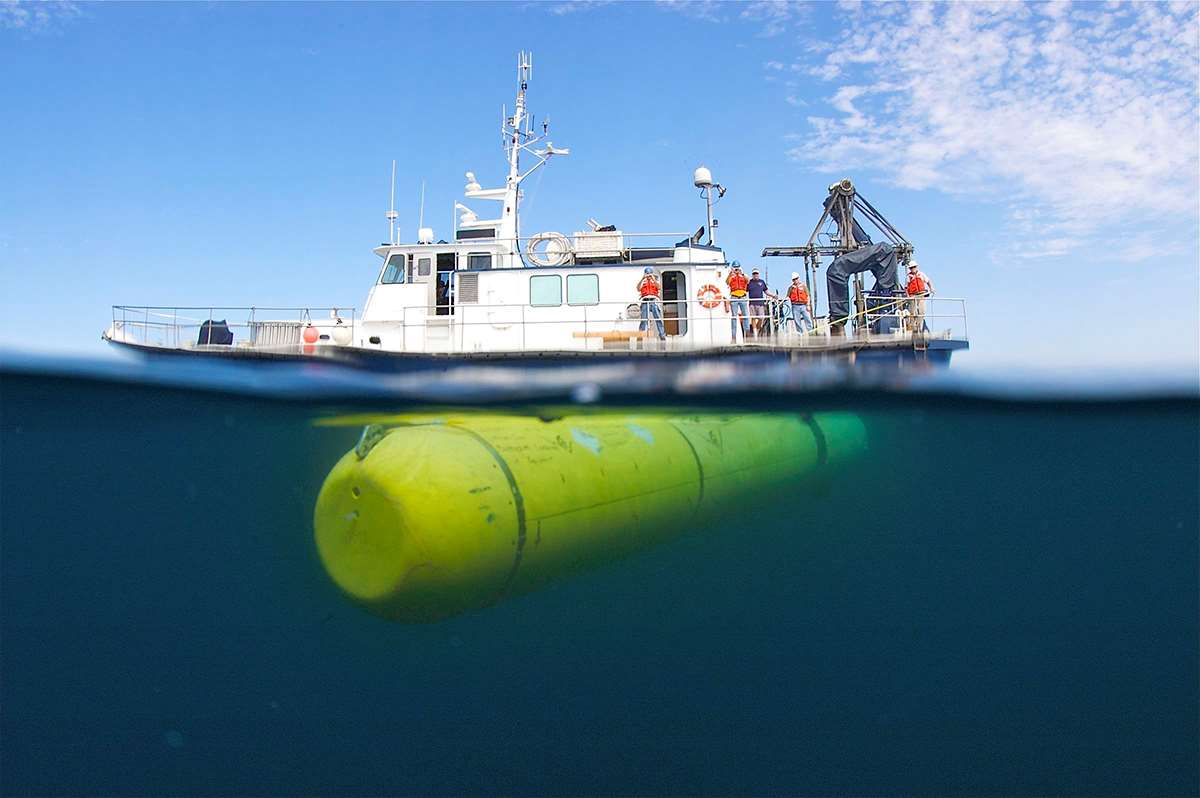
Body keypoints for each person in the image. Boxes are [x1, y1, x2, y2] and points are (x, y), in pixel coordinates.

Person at [636, 266, 666, 340]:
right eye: (647, 273)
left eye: (650, 273)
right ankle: (640, 335)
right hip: (645, 301)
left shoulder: (655, 281)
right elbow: (638, 288)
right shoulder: (643, 281)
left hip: (653, 300)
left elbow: (659, 287)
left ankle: (662, 334)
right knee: (644, 320)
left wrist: (653, 279)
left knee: (658, 318)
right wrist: (642, 279)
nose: (648, 275)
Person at [905, 260, 934, 333]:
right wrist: (908, 296)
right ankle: (912, 326)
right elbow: (906, 288)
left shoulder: (921, 274)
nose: (913, 269)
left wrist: (931, 288)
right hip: (913, 296)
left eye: (914, 267)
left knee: (922, 311)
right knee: (912, 312)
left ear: (916, 267)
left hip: (921, 295)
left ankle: (917, 326)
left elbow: (928, 281)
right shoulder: (908, 277)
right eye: (911, 267)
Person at [725, 261, 750, 342]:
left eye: (737, 267)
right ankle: (733, 337)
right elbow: (727, 282)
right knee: (734, 317)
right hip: (734, 297)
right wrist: (730, 274)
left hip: (743, 297)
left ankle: (747, 335)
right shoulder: (731, 276)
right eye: (735, 267)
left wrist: (742, 273)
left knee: (745, 316)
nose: (736, 269)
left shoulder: (743, 275)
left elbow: (748, 281)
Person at [747, 268, 769, 338]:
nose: (755, 275)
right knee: (753, 318)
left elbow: (766, 291)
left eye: (756, 273)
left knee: (761, 318)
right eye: (754, 274)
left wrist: (773, 295)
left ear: (758, 274)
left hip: (760, 303)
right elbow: (745, 291)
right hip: (752, 303)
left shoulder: (762, 282)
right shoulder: (749, 282)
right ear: (752, 275)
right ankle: (755, 333)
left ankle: (757, 330)